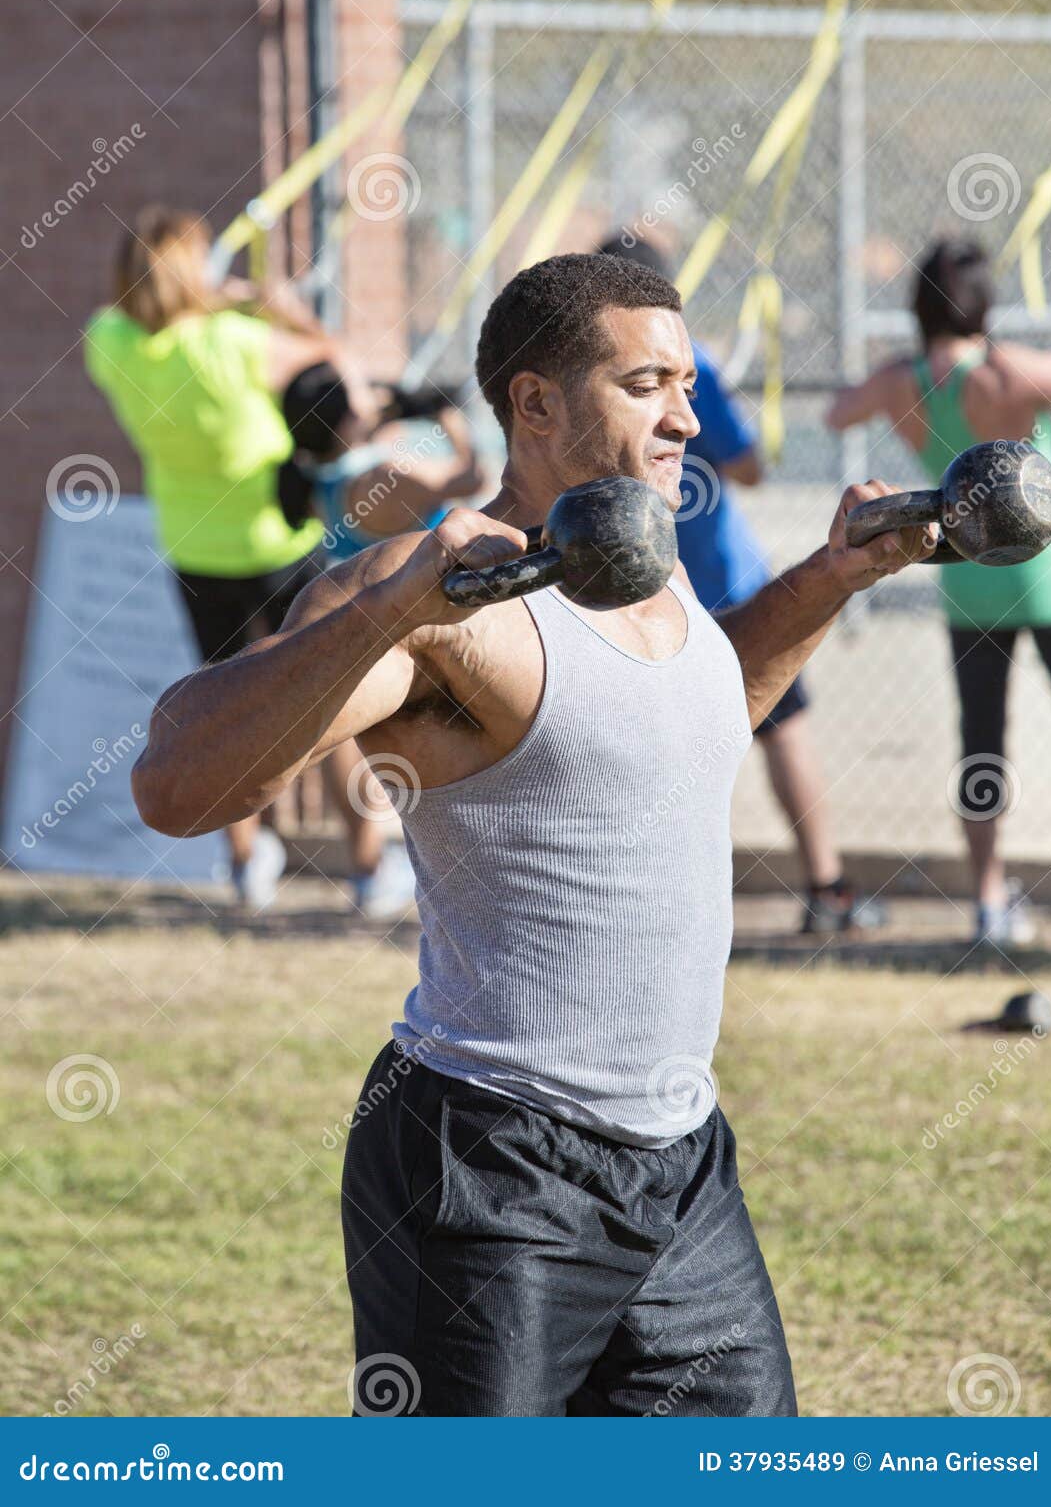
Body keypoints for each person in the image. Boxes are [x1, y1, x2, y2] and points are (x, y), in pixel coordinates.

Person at [131, 252, 933, 1417]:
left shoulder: (641, 567)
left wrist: (825, 579)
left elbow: (674, 729)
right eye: (646, 382)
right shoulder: (440, 590)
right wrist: (386, 614)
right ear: (535, 402)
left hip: (681, 1167)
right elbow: (174, 783)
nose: (685, 415)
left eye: (687, 384)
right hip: (491, 1173)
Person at [83, 205, 370, 909]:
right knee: (330, 698)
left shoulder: (108, 341)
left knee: (223, 704)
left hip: (193, 547)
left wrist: (226, 299)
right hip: (277, 540)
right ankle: (368, 868)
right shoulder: (235, 343)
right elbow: (338, 371)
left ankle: (247, 863)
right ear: (194, 272)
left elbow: (139, 313)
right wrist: (285, 310)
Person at [599, 234, 883, 935]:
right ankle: (825, 886)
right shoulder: (694, 373)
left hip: (669, 587)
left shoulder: (608, 387)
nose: (677, 409)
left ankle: (811, 889)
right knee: (780, 734)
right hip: (719, 589)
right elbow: (750, 466)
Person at [826, 237, 1051, 946]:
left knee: (981, 750)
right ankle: (994, 905)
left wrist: (894, 389)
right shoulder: (1005, 372)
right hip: (1050, 585)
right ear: (981, 301)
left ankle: (989, 903)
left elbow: (835, 413)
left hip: (970, 588)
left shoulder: (902, 380)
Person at [277, 363, 486, 917]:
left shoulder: (325, 475)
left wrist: (396, 417)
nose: (373, 394)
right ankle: (435, 877)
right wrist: (448, 417)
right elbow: (471, 479)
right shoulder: (385, 476)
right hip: (425, 634)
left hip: (361, 627)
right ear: (342, 420)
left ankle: (368, 867)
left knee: (354, 744)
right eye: (359, 393)